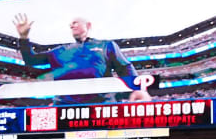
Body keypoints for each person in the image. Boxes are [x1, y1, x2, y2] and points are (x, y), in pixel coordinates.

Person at [9, 13, 146, 98]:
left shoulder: (107, 46)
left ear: (88, 25)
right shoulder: (60, 51)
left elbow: (125, 68)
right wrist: (23, 38)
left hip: (101, 104)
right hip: (65, 106)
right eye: (70, 24)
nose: (71, 25)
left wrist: (137, 89)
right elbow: (31, 60)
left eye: (75, 22)